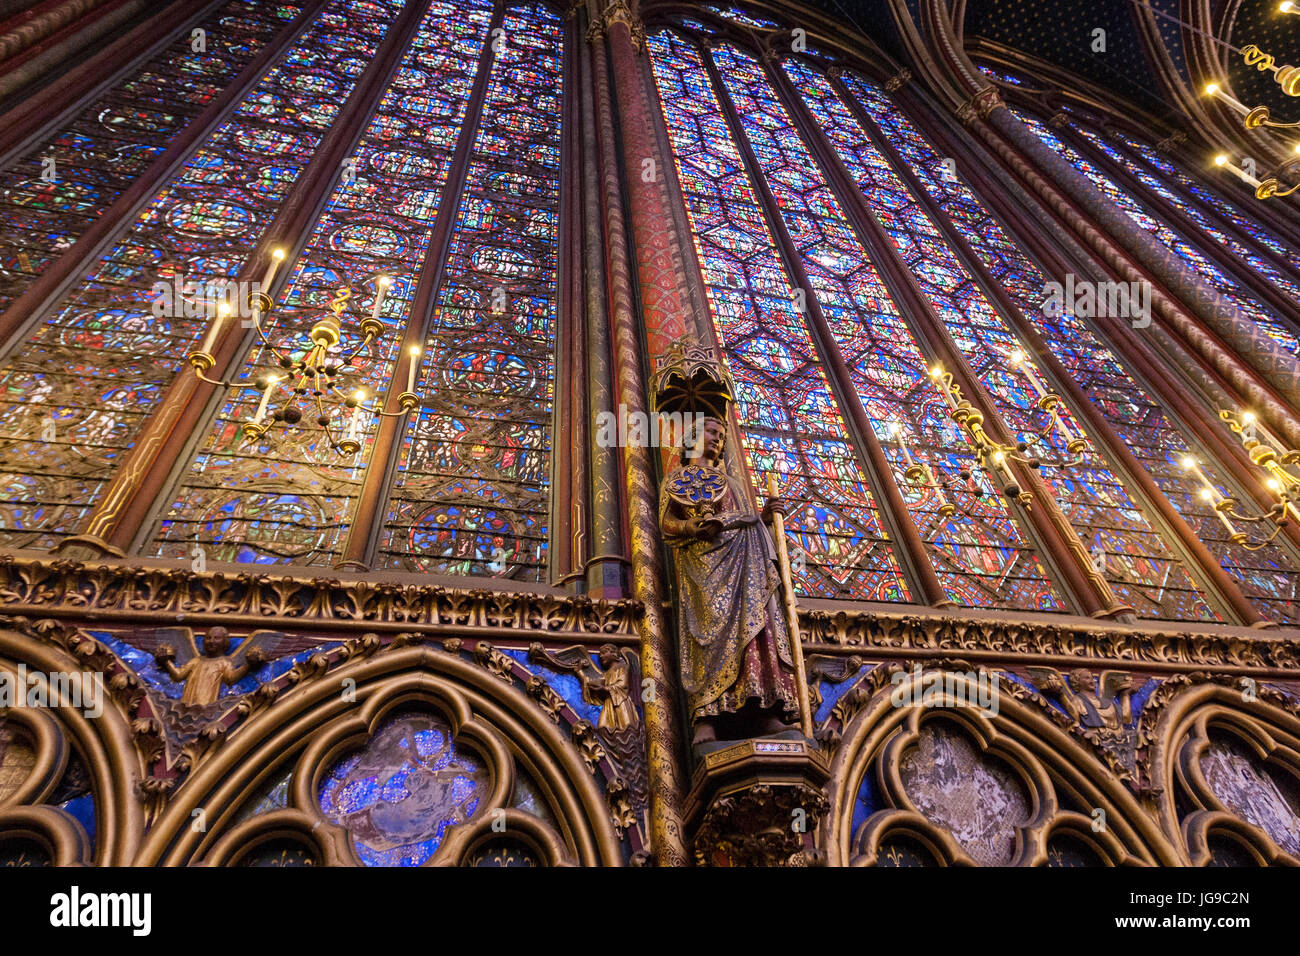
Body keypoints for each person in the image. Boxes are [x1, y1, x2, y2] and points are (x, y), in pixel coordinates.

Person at [659, 416, 800, 746]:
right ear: (692, 436)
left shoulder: (734, 483)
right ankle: (706, 717)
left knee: (755, 630)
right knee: (708, 632)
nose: (717, 440)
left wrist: (763, 518)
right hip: (704, 566)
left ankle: (763, 711)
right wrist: (691, 528)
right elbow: (667, 523)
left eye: (722, 436)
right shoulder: (677, 478)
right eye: (711, 432)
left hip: (745, 563)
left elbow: (747, 521)